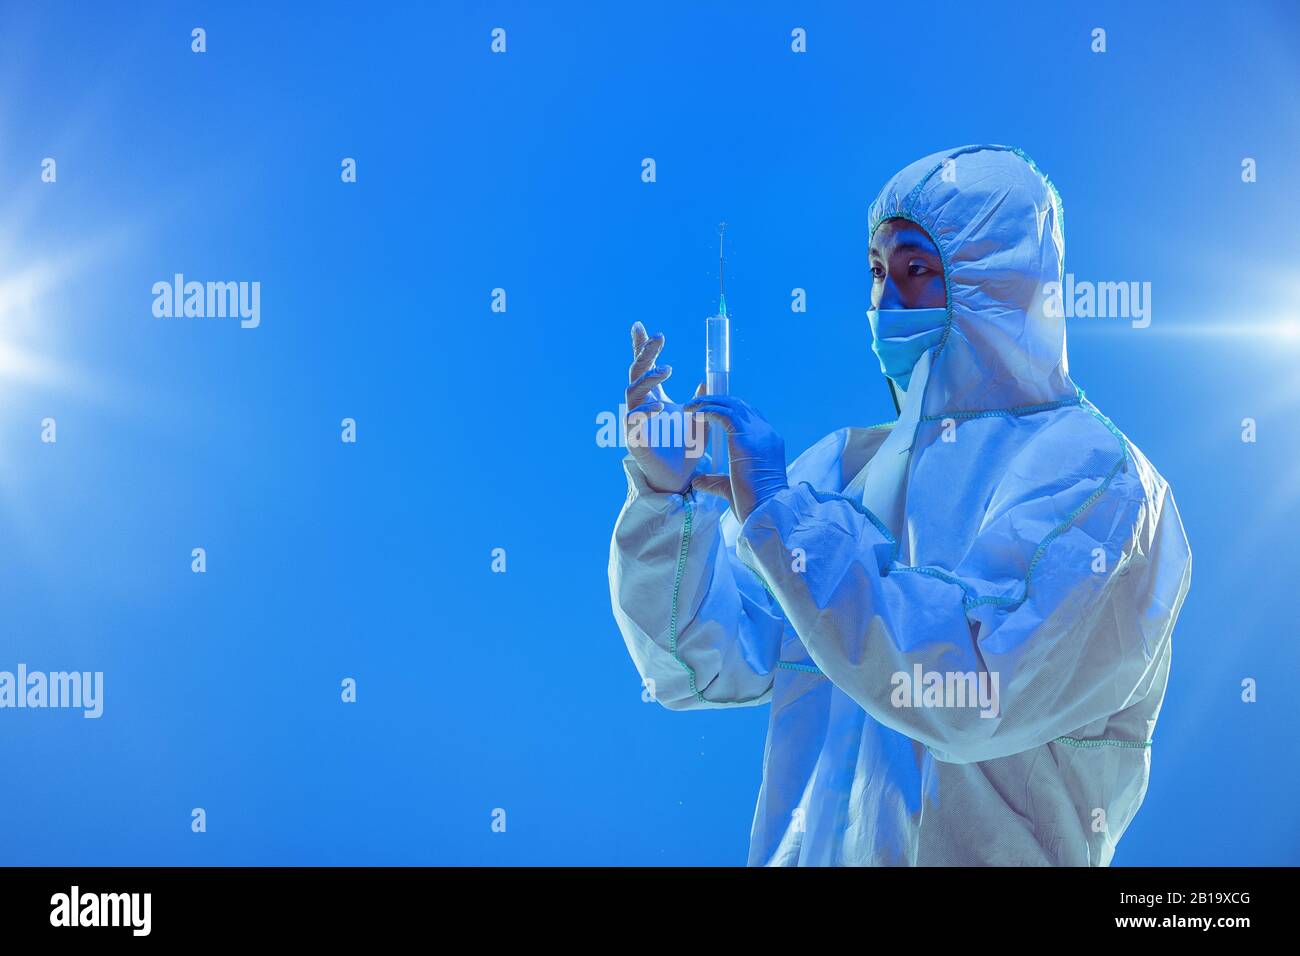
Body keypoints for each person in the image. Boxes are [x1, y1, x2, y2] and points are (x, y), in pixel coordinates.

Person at [608, 145, 1192, 866]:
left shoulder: (1099, 482)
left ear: (999, 282)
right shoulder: (841, 473)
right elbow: (699, 666)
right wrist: (667, 500)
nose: (885, 303)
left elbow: (975, 689)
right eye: (878, 273)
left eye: (917, 270)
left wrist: (783, 518)